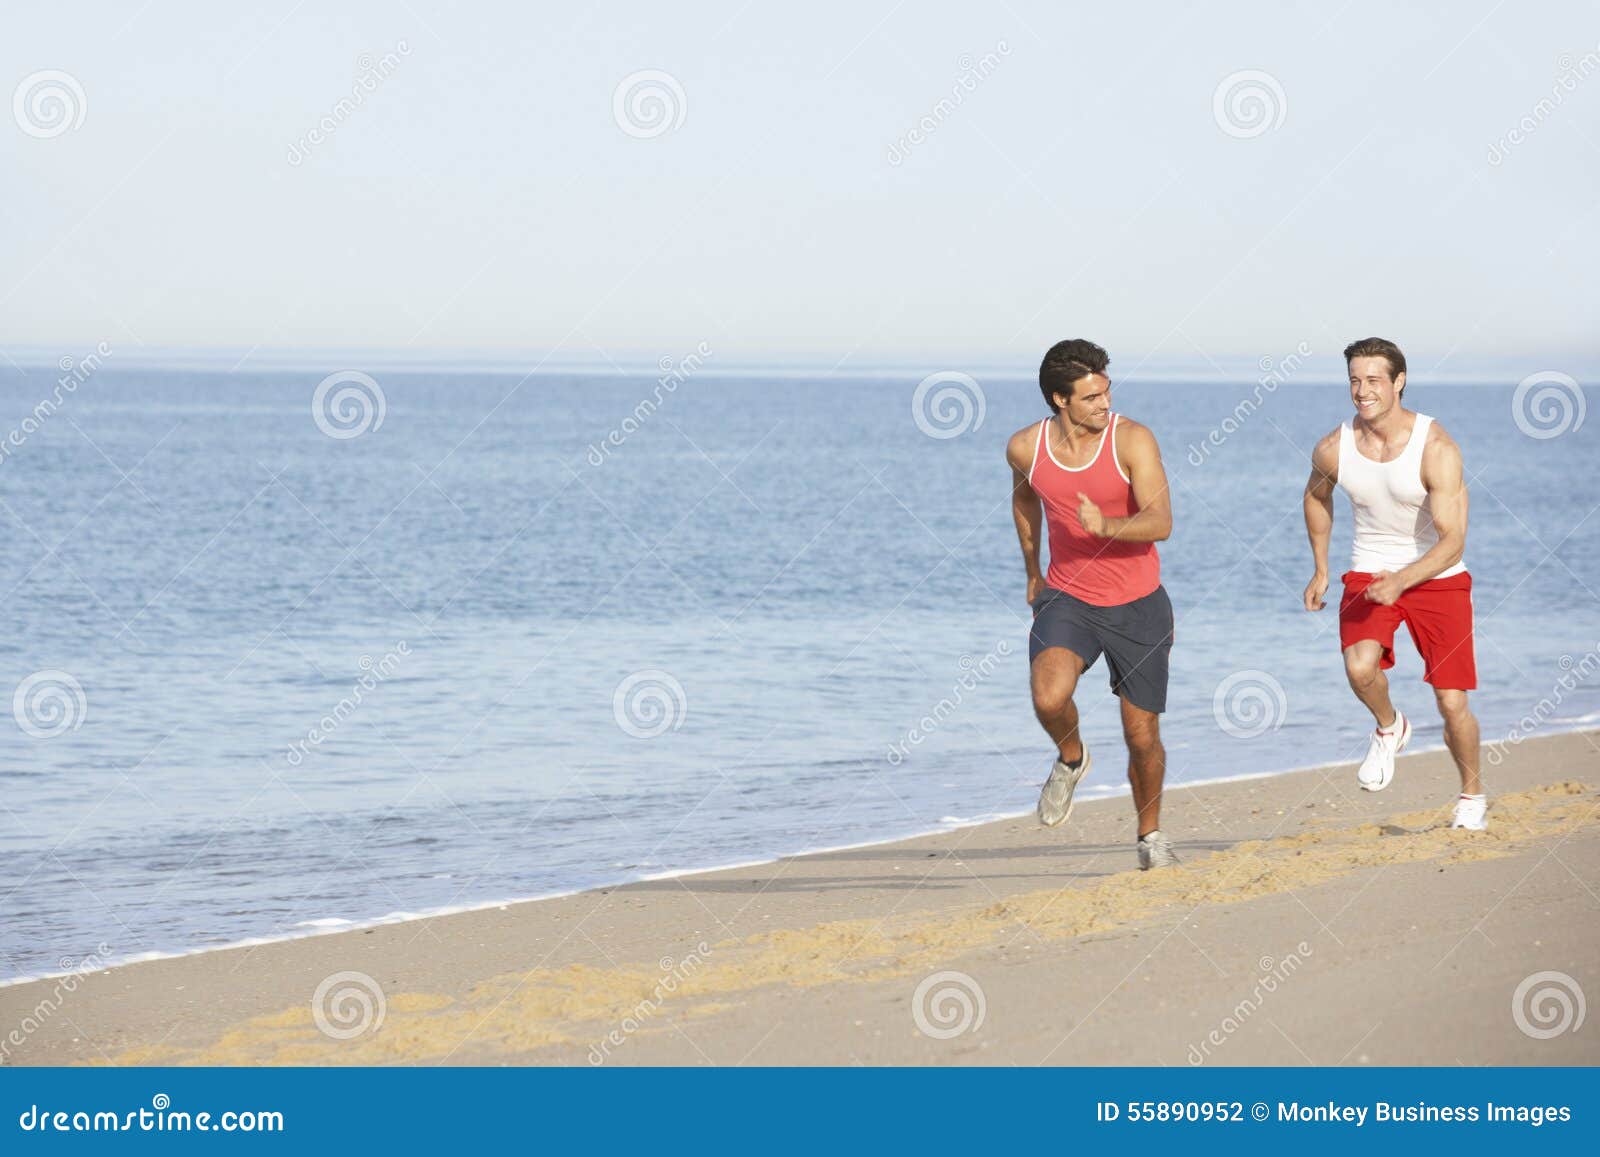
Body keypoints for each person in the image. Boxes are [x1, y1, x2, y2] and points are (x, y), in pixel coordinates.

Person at [1005, 339, 1177, 869]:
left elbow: (1162, 522)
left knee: (1141, 735)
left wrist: (1107, 526)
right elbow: (1024, 497)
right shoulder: (1024, 449)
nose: (1105, 404)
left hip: (1138, 603)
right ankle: (1072, 758)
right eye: (1091, 397)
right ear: (1060, 400)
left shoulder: (1133, 441)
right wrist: (1033, 571)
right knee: (1049, 697)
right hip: (1068, 595)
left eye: (1106, 392)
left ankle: (1149, 837)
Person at [1302, 337, 1485, 829]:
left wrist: (1403, 580)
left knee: (1451, 702)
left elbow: (1454, 542)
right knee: (1360, 669)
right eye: (1355, 381)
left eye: (1374, 380)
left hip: (1437, 576)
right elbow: (1317, 497)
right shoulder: (1333, 447)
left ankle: (1471, 796)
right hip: (1368, 568)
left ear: (1399, 382)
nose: (1362, 391)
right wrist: (1322, 567)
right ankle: (1390, 727)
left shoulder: (1437, 448)